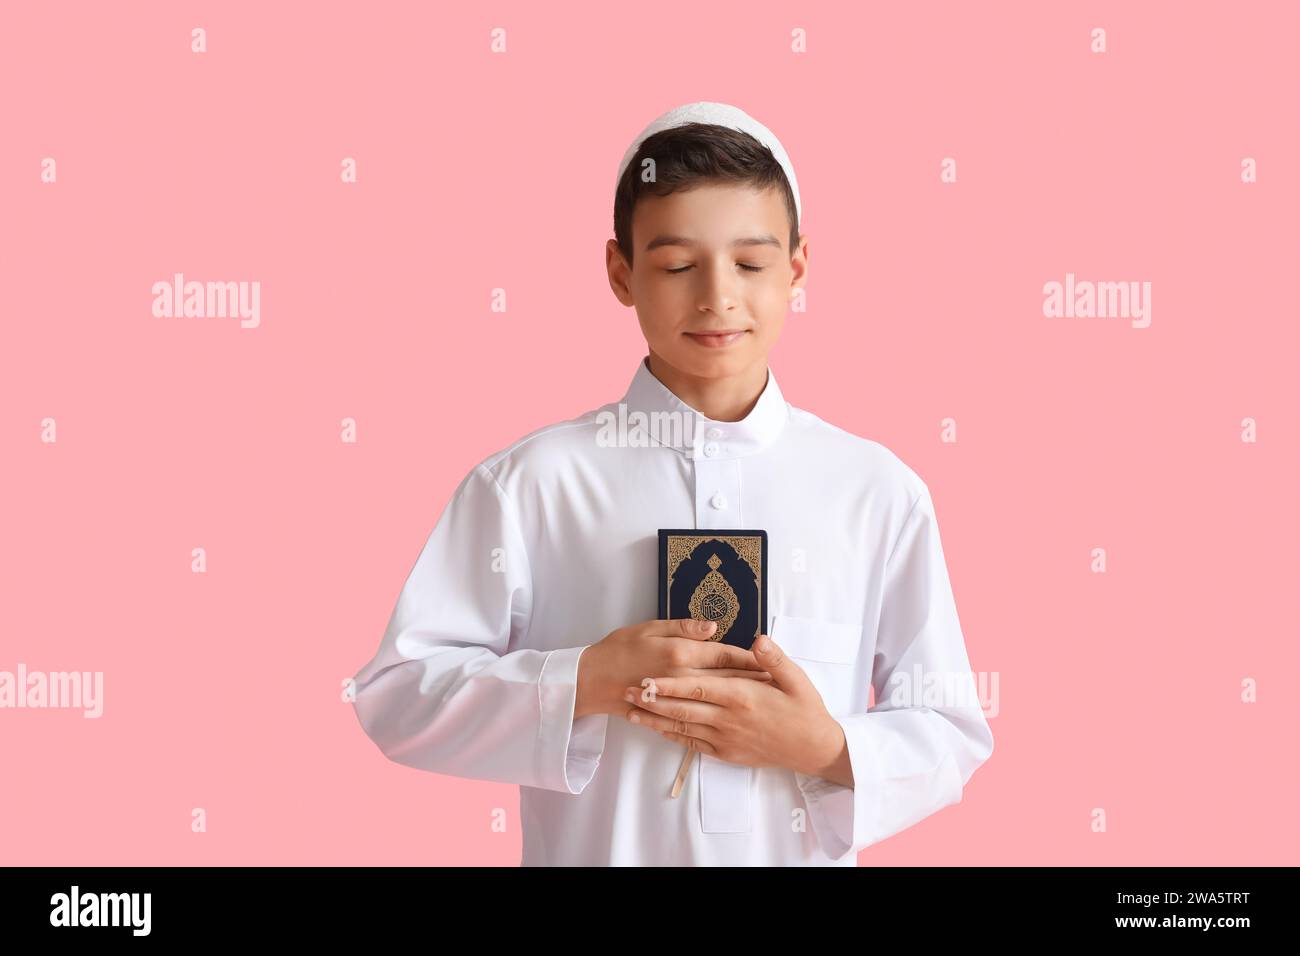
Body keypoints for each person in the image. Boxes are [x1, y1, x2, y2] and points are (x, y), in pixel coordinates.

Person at [349, 101, 994, 866]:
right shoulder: (531, 485)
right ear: (621, 271)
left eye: (751, 264)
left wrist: (825, 746)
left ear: (797, 269)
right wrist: (584, 680)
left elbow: (950, 729)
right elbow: (397, 695)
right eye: (678, 265)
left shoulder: (876, 492)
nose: (717, 296)